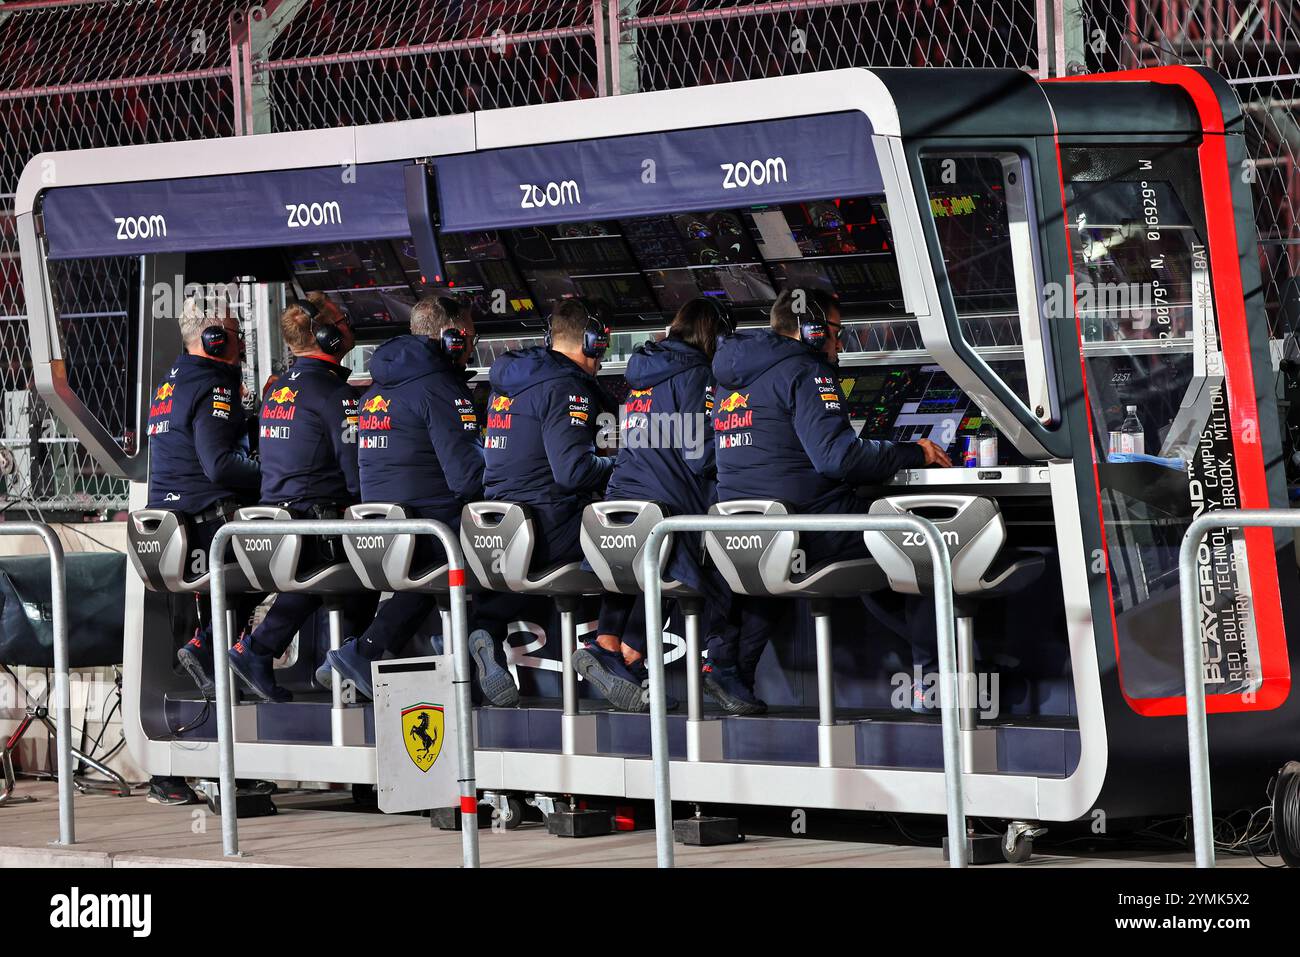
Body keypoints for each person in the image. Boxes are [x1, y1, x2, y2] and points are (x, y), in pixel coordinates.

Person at [708, 288, 951, 714]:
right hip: (811, 530)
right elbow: (839, 457)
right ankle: (935, 685)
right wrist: (914, 452)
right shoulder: (806, 370)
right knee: (923, 545)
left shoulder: (729, 376)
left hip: (746, 536)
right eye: (836, 332)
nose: (839, 344)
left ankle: (736, 676)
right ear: (812, 329)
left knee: (882, 553)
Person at [322, 295, 516, 705]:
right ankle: (475, 638)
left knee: (436, 562)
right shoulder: (442, 387)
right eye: (469, 338)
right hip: (427, 532)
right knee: (508, 545)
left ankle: (367, 649)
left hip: (376, 530)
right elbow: (467, 478)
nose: (469, 348)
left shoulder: (376, 386)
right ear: (450, 339)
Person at [573, 298, 733, 712]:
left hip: (617, 509)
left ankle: (606, 644)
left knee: (636, 564)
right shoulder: (698, 374)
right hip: (664, 517)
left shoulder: (641, 375)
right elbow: (700, 455)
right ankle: (631, 655)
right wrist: (739, 444)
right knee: (672, 554)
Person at [226, 293, 377, 702]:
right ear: (326, 335)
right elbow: (357, 476)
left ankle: (273, 651)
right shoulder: (335, 395)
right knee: (375, 561)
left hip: (279, 520)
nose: (348, 327)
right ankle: (346, 658)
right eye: (342, 320)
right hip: (313, 527)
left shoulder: (279, 389)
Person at [143, 293, 261, 803]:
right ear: (214, 338)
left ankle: (202, 768)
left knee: (217, 643)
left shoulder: (170, 381)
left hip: (169, 528)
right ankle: (223, 766)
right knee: (265, 583)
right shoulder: (213, 382)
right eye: (234, 329)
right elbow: (220, 464)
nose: (240, 339)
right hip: (205, 526)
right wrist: (272, 474)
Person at [480, 297, 615, 694]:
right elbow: (572, 471)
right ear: (592, 342)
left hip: (497, 528)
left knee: (534, 578)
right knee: (638, 544)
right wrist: (621, 465)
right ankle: (606, 651)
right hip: (546, 527)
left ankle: (483, 625)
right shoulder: (568, 386)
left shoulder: (506, 384)